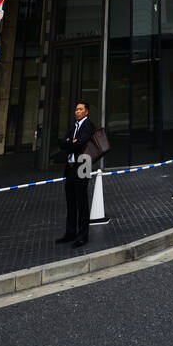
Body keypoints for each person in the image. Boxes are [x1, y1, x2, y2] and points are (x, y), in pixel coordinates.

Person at [56, 100, 96, 246]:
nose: (77, 111)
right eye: (76, 109)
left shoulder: (88, 126)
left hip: (83, 167)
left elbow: (80, 143)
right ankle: (70, 232)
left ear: (86, 112)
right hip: (70, 167)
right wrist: (70, 142)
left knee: (82, 202)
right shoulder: (73, 127)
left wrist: (70, 143)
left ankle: (82, 236)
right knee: (70, 201)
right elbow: (62, 143)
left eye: (80, 109)